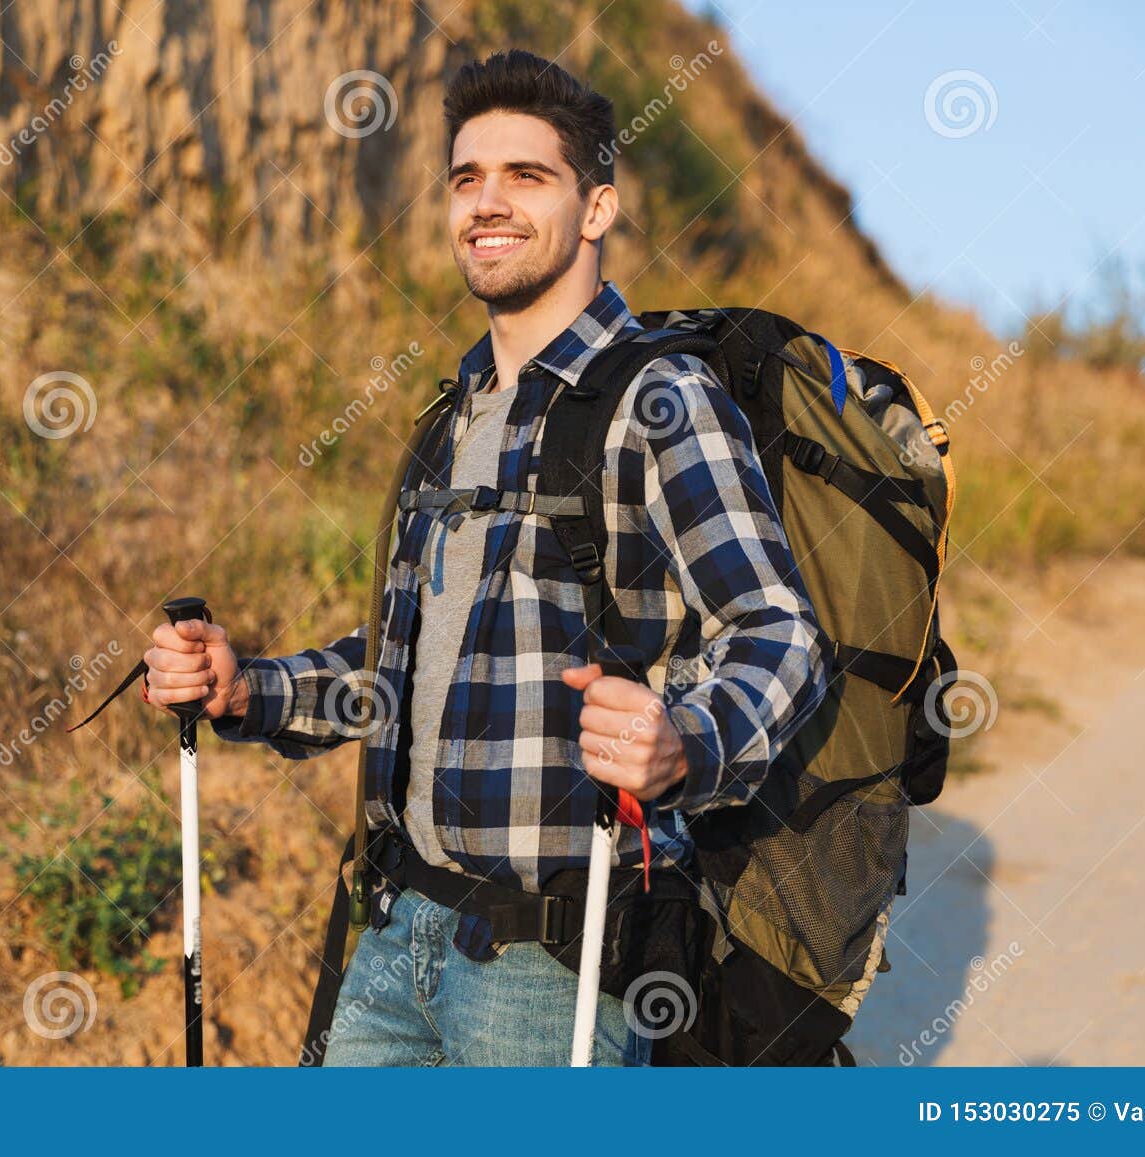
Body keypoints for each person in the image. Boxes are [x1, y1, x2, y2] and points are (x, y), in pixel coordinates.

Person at [142, 48, 827, 1066]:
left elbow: (782, 635)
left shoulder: (662, 400)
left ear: (596, 207)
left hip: (555, 966)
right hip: (392, 928)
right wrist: (249, 690)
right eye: (467, 179)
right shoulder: (450, 415)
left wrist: (685, 738)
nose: (486, 203)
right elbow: (400, 674)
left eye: (525, 176)